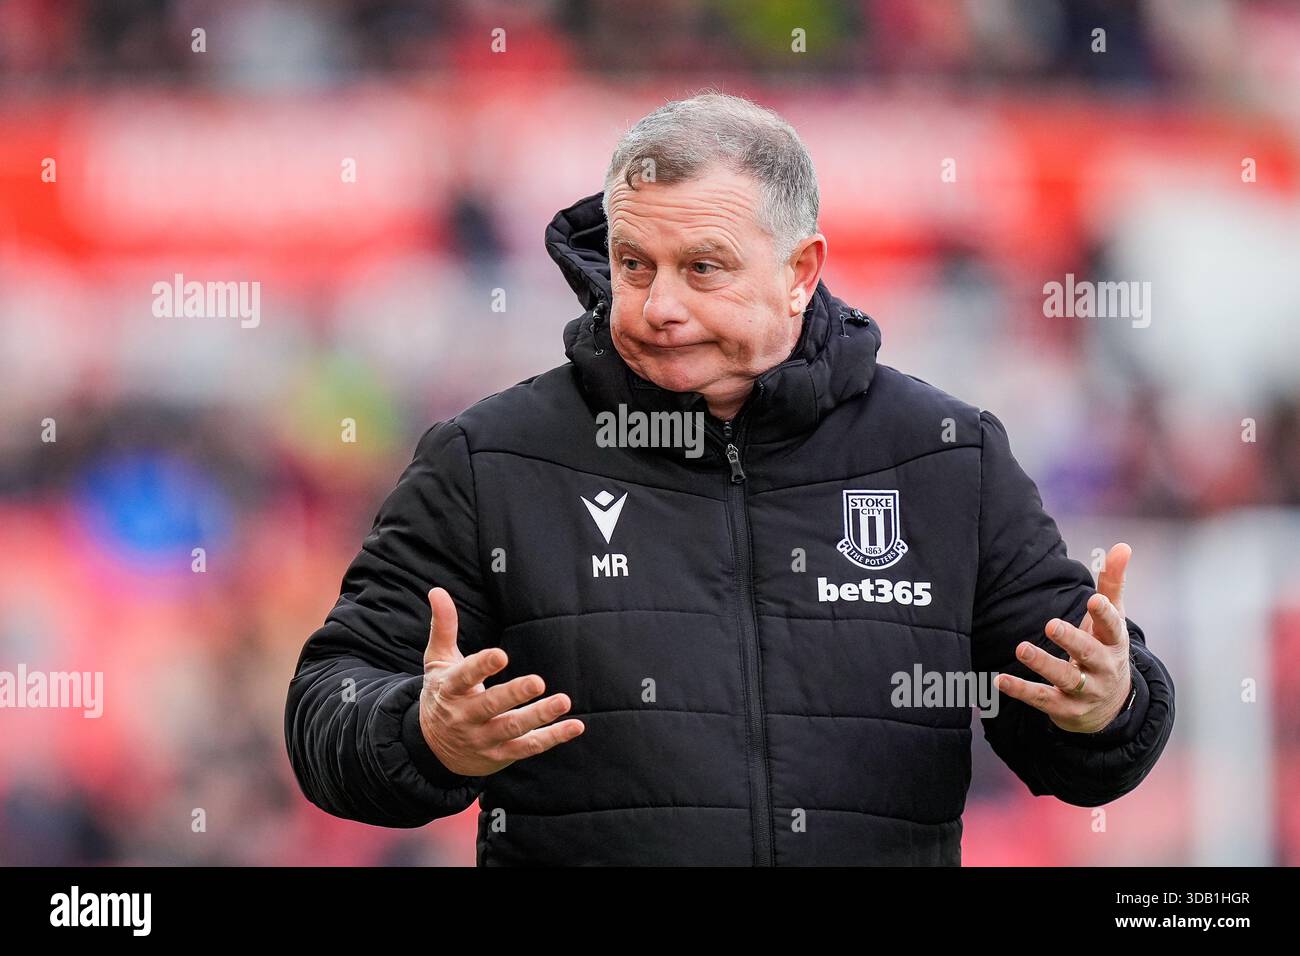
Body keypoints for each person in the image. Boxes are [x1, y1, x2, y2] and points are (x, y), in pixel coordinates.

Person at [284, 91, 1175, 865]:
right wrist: (422, 733)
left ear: (800, 272)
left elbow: (1083, 730)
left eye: (701, 269)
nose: (659, 305)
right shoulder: (491, 459)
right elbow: (328, 704)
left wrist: (1107, 704)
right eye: (633, 265)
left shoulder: (946, 455)